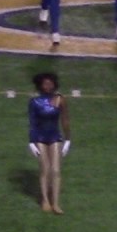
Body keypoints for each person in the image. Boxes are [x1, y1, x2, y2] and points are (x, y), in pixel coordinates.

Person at [28, 73, 71, 213]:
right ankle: (45, 200)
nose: (48, 86)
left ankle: (56, 203)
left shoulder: (60, 99)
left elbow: (65, 120)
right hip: (40, 138)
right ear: (40, 85)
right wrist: (31, 141)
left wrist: (68, 139)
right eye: (45, 83)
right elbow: (33, 123)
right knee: (45, 169)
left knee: (56, 170)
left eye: (50, 83)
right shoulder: (34, 102)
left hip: (54, 137)